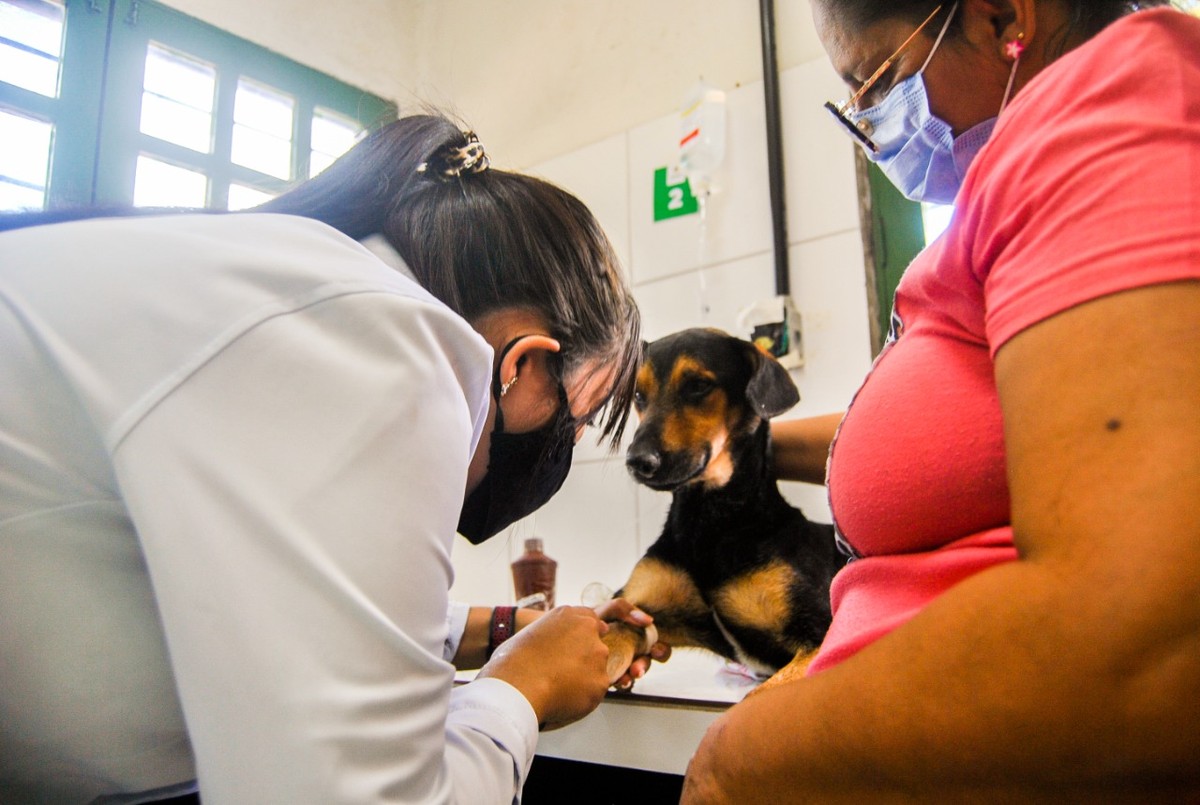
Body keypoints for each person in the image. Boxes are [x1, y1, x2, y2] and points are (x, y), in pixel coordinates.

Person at [0, 113, 664, 804]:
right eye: (579, 419)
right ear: (524, 365)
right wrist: (523, 688)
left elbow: (290, 594)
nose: (569, 446)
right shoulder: (392, 343)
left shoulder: (314, 293)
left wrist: (506, 628)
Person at [684, 0, 1200, 800]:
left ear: (1002, 19)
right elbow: (959, 451)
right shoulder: (1007, 204)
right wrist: (741, 445)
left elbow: (1142, 642)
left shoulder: (1103, 107)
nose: (867, 120)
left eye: (876, 79)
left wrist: (739, 758)